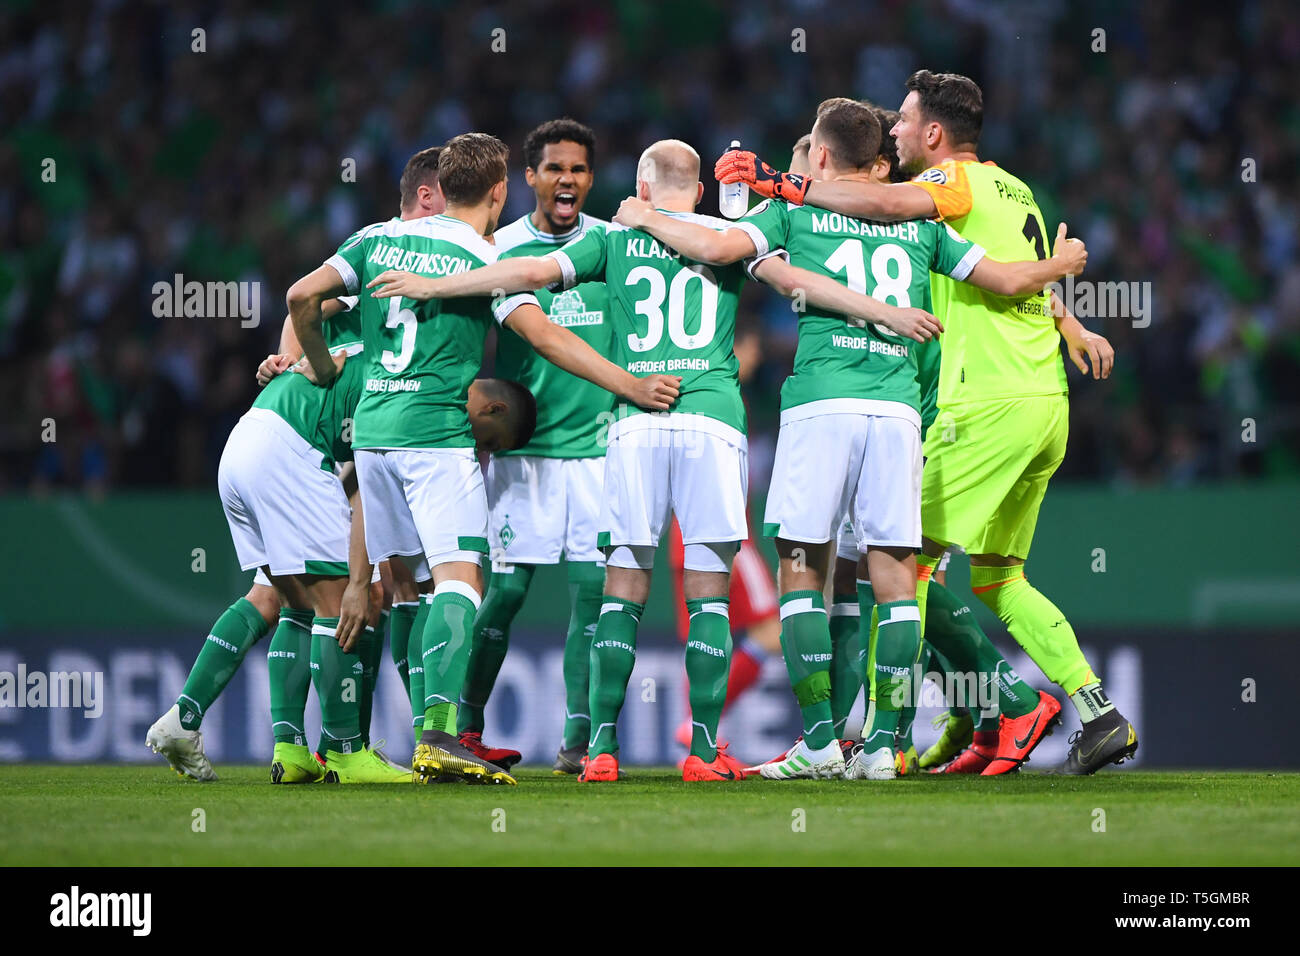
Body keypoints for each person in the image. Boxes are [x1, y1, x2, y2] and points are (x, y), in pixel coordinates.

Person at [618, 97, 1088, 780]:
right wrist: (1064, 263)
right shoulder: (921, 222)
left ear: (827, 158)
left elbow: (716, 245)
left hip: (820, 404)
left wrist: (646, 212)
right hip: (899, 412)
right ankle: (880, 748)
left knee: (802, 571)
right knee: (895, 580)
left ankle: (819, 740)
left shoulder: (797, 211)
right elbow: (1010, 279)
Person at [716, 70, 1134, 774]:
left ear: (935, 134)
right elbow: (1012, 274)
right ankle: (1091, 712)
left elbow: (884, 203)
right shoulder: (1016, 189)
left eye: (904, 122)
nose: (896, 131)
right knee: (997, 580)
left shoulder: (950, 187)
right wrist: (1072, 323)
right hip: (1044, 404)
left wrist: (785, 186)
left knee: (898, 571)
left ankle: (893, 737)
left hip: (983, 406)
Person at [290, 132, 679, 786]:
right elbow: (544, 336)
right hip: (437, 437)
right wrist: (629, 386)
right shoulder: (482, 257)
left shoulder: (373, 238)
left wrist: (321, 367)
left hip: (372, 435)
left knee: (394, 590)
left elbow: (306, 298)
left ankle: (352, 743)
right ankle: (441, 734)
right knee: (461, 586)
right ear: (501, 190)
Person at [452, 119, 612, 776]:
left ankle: (578, 742)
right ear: (530, 178)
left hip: (602, 452)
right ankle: (464, 725)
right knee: (507, 593)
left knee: (593, 598)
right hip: (524, 455)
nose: (565, 180)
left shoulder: (614, 244)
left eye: (576, 169)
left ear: (590, 178)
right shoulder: (500, 248)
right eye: (553, 169)